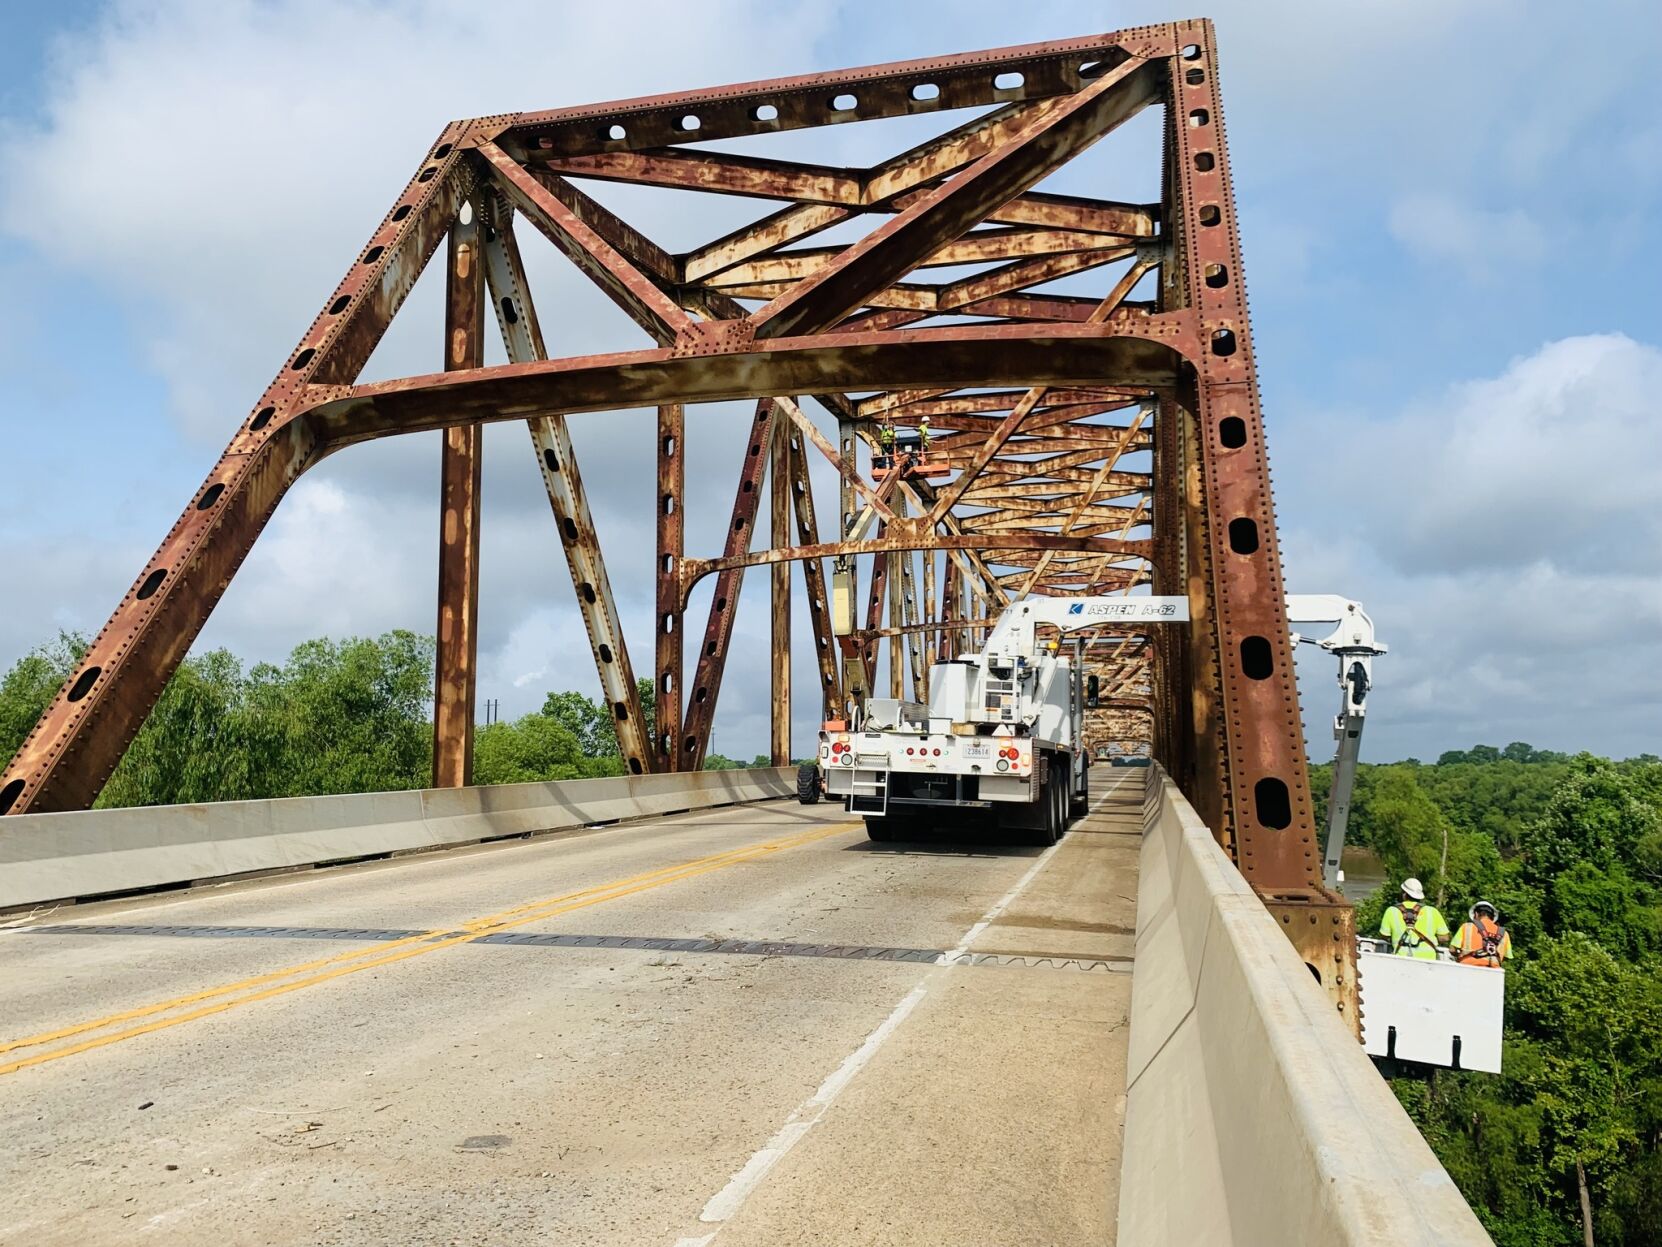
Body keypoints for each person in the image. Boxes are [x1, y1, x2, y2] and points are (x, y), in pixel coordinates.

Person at [1379, 877, 1449, 959]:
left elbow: (1384, 936)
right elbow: (1444, 938)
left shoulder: (1391, 911)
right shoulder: (1432, 911)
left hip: (1401, 959)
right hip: (1428, 961)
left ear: (1404, 894)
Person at [1452, 900, 1511, 967]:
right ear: (1493, 917)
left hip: (1467, 967)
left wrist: (1459, 955)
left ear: (1476, 914)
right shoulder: (1504, 934)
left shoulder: (1467, 927)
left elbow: (1452, 949)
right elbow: (1506, 957)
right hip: (1493, 971)